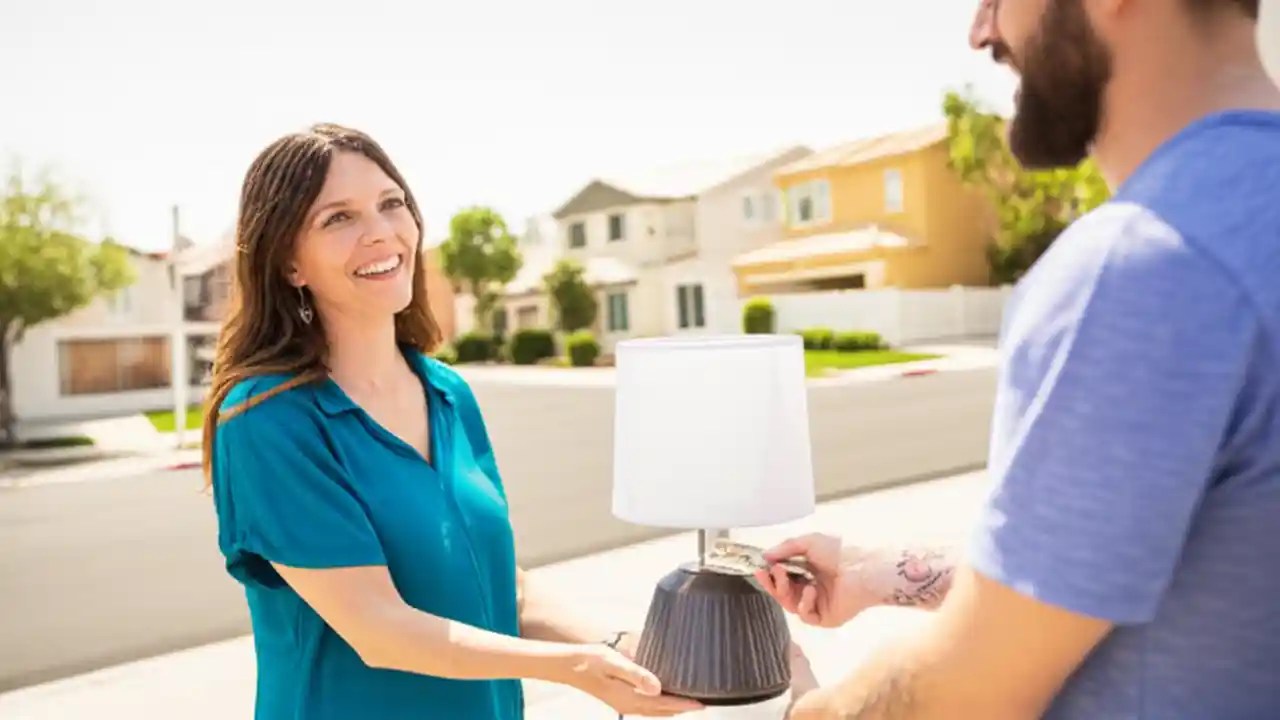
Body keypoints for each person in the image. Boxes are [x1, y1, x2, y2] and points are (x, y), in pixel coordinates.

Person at [763, 0, 1280, 718]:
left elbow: (958, 696)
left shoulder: (1144, 263)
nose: (982, 31)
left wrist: (799, 708)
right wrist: (876, 573)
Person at [201, 123, 704, 719]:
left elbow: (501, 587)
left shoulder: (447, 392)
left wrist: (614, 648)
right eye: (339, 218)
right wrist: (576, 669)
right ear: (289, 263)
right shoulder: (266, 419)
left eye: (391, 204)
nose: (380, 231)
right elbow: (378, 627)